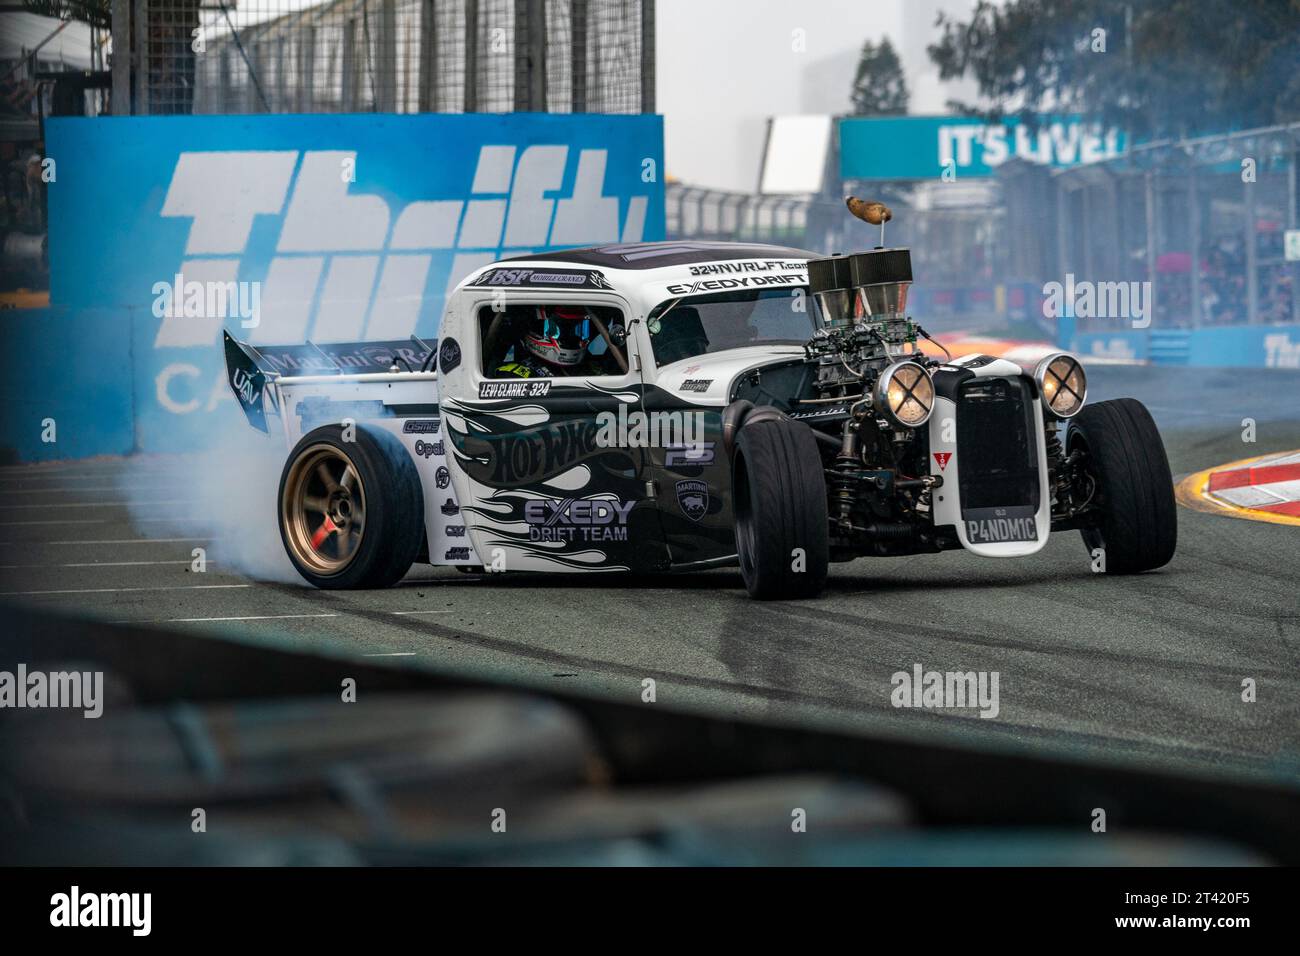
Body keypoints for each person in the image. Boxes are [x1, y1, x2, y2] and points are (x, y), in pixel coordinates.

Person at [495, 305, 607, 377]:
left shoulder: (592, 369)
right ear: (535, 329)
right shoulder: (512, 375)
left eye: (578, 329)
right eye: (554, 330)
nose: (569, 338)